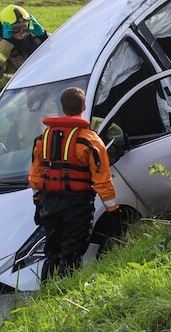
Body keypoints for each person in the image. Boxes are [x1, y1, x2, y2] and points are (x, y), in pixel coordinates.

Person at [28, 86, 117, 280]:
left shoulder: (43, 139)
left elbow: (35, 175)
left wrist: (37, 202)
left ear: (62, 108)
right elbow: (102, 179)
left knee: (52, 251)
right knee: (72, 251)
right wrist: (113, 210)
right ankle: (66, 292)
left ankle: (47, 290)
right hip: (77, 205)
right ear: (84, 107)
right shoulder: (90, 140)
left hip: (49, 204)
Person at [0, 4, 49, 80]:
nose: (21, 31)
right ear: (5, 28)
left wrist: (44, 37)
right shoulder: (1, 47)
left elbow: (59, 53)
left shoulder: (35, 38)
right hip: (20, 90)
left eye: (24, 26)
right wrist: (7, 43)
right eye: (16, 28)